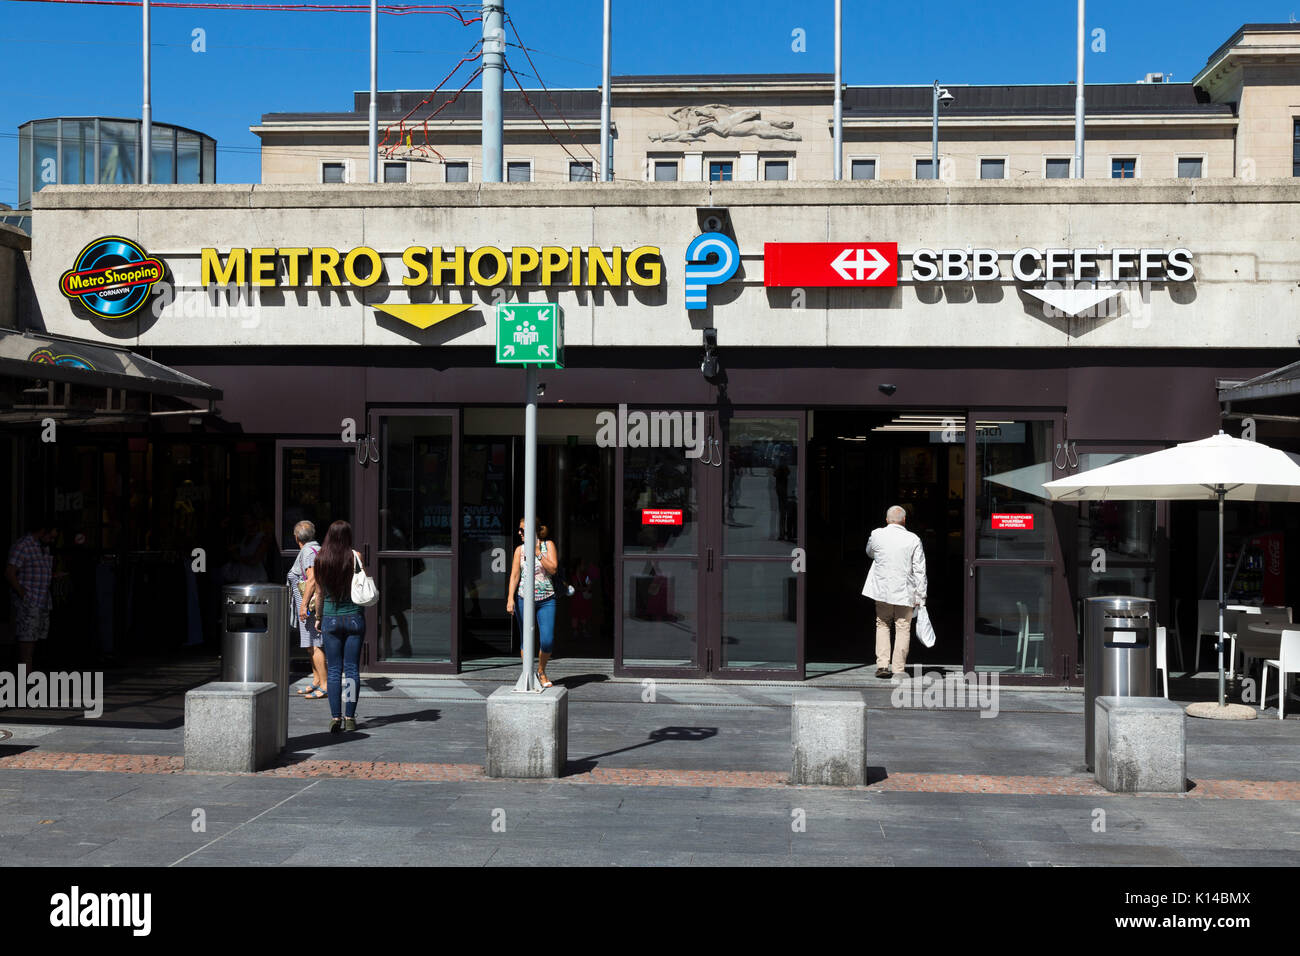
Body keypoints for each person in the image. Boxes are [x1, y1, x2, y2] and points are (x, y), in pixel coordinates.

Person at [301, 520, 366, 733]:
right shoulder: (356, 556)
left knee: (335, 669)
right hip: (354, 616)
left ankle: (335, 717)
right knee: (352, 669)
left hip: (330, 618)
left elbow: (319, 593)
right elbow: (361, 584)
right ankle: (350, 717)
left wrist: (318, 617)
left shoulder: (321, 559)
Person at [862, 505, 928, 679]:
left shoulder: (876, 534)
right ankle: (899, 669)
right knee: (903, 627)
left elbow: (870, 553)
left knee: (882, 624)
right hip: (905, 590)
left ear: (886, 520)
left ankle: (882, 665)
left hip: (882, 589)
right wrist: (921, 595)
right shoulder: (913, 539)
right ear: (904, 520)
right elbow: (920, 570)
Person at [506, 519, 559, 688]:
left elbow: (553, 569)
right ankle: (527, 673)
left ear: (532, 531)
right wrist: (510, 598)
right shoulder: (519, 550)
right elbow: (515, 575)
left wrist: (537, 552)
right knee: (525, 640)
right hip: (524, 599)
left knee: (547, 640)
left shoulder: (548, 545)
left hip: (546, 599)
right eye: (519, 530)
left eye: (522, 530)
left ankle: (541, 671)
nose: (519, 533)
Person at [6, 522, 56, 668]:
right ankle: (24, 679)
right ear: (42, 531)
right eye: (50, 537)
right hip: (30, 602)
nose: (52, 541)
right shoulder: (23, 545)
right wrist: (23, 594)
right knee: (26, 644)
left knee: (34, 642)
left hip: (42, 601)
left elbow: (38, 571)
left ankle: (29, 675)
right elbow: (10, 572)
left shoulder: (43, 547)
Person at [288, 520, 326, 699]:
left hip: (308, 607)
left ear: (296, 538)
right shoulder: (313, 549)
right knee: (310, 645)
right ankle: (316, 680)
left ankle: (325, 685)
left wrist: (303, 606)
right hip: (307, 606)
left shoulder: (308, 552)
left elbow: (312, 579)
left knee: (315, 644)